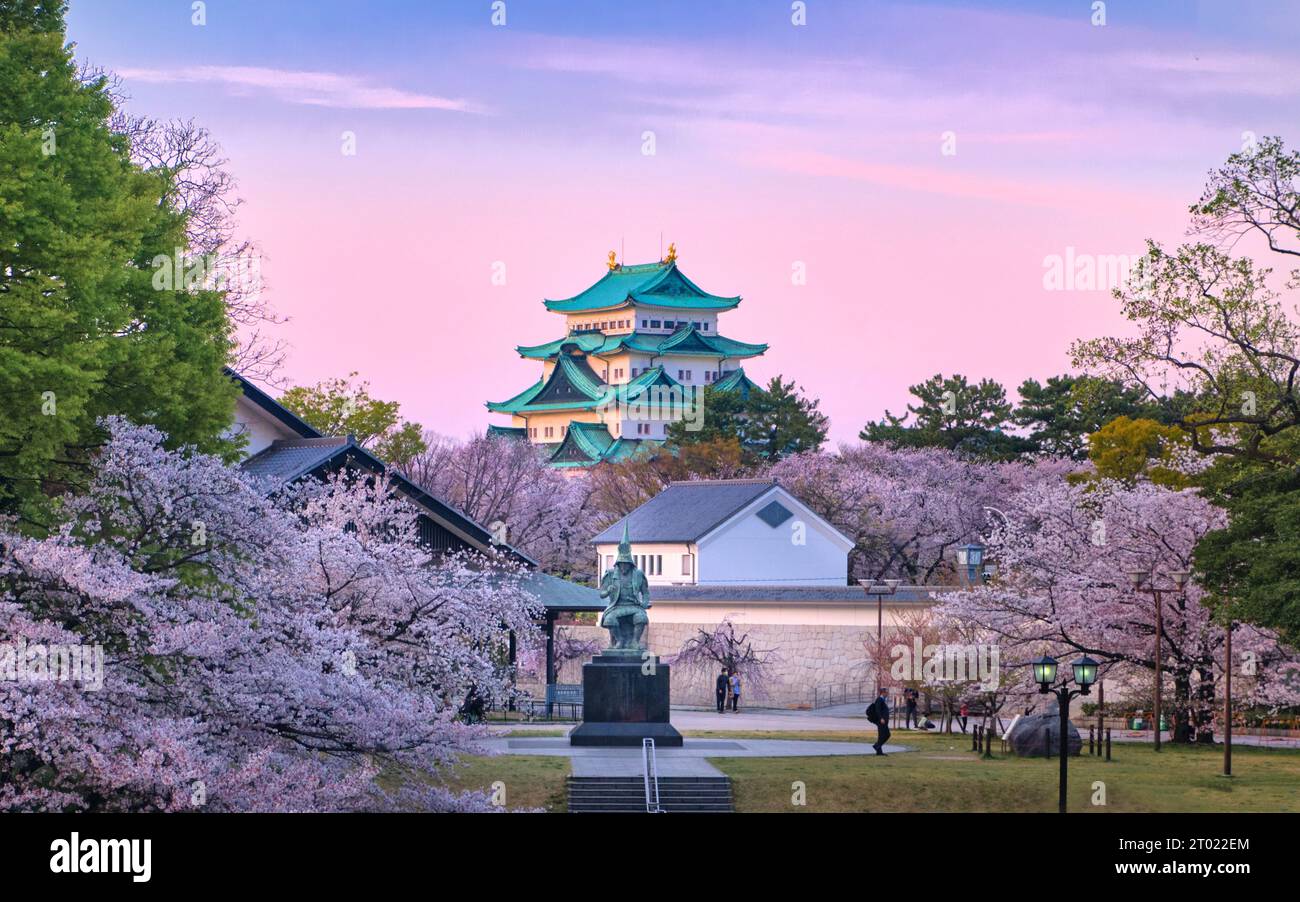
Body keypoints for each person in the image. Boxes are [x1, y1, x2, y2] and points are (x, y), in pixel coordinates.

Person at [866, 688, 891, 755]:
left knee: (882, 735)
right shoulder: (879, 699)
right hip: (881, 721)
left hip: (883, 721)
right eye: (886, 692)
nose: (887, 694)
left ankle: (879, 751)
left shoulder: (882, 700)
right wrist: (881, 718)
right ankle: (877, 745)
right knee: (886, 734)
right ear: (883, 693)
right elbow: (877, 710)